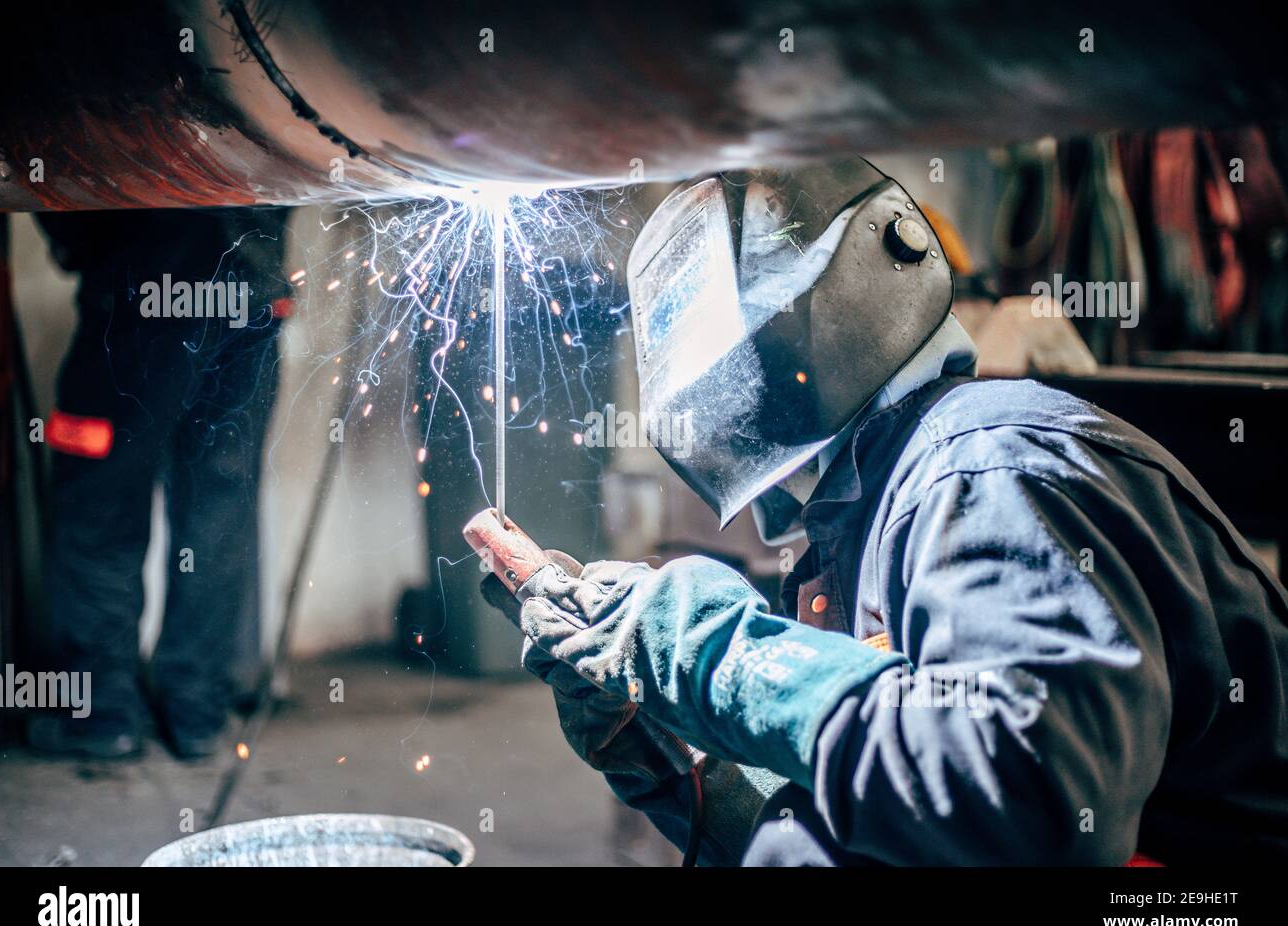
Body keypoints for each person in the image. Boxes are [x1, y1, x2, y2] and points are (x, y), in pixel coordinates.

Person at [509, 160, 1288, 865]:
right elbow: (897, 817)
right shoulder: (868, 522)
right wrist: (690, 775)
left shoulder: (987, 469)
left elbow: (1025, 811)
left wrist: (712, 658)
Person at [27, 207, 291, 760]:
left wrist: (88, 253)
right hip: (251, 302)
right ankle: (197, 715)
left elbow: (71, 190)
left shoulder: (121, 114)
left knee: (100, 508)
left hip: (142, 301)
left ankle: (100, 718)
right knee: (218, 512)